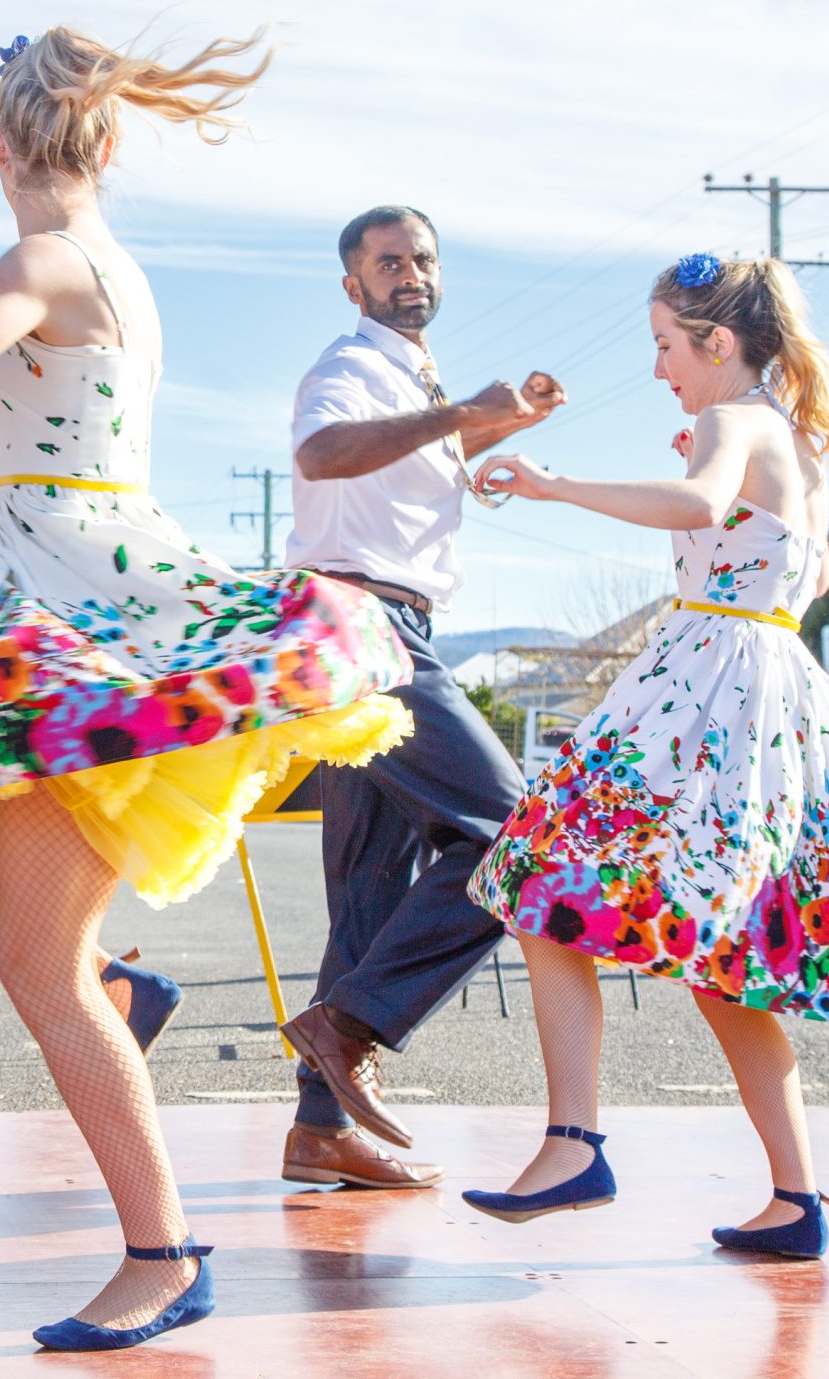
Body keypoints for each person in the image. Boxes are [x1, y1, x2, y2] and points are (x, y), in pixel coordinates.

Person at [0, 27, 411, 1350]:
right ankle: (120, 995)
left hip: (62, 600)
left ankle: (162, 1247)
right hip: (49, 563)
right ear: (108, 144)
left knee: (33, 968)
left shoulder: (42, 259)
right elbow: (41, 407)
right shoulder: (108, 269)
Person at [466, 252, 829, 1259]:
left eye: (668, 348)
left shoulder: (732, 424)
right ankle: (793, 1200)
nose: (661, 369)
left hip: (703, 682)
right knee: (726, 957)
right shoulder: (799, 445)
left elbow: (698, 507)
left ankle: (573, 1138)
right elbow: (789, 568)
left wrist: (552, 484)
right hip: (771, 691)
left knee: (539, 886)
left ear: (716, 344)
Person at [273, 203, 565, 1191]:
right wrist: (454, 419)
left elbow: (387, 485)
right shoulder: (347, 368)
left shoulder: (413, 378)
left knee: (365, 893)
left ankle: (318, 1133)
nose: (411, 275)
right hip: (363, 630)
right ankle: (349, 1024)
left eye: (423, 259)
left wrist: (483, 442)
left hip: (377, 625)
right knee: (517, 832)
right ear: (352, 285)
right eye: (388, 262)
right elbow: (319, 457)